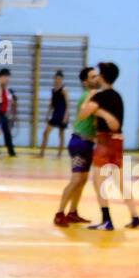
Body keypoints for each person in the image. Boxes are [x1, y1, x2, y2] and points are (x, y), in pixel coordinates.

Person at [81, 61, 139, 230]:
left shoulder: (100, 97)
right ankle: (135, 217)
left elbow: (84, 113)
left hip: (105, 141)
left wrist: (97, 109)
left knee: (98, 181)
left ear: (103, 77)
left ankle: (106, 220)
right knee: (119, 181)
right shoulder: (117, 96)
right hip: (118, 141)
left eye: (98, 74)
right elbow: (116, 124)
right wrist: (103, 114)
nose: (96, 76)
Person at [54, 67, 100, 226]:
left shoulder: (94, 96)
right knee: (76, 179)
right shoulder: (88, 96)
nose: (96, 78)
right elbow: (86, 113)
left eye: (97, 75)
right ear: (85, 82)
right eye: (93, 76)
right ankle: (59, 213)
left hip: (88, 143)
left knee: (82, 179)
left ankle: (73, 212)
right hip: (79, 142)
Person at [38, 70, 69, 158]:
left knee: (61, 134)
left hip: (62, 114)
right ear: (54, 79)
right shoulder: (53, 90)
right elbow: (51, 103)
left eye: (59, 79)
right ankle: (41, 153)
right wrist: (48, 114)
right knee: (45, 132)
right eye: (56, 78)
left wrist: (66, 116)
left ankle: (59, 154)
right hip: (55, 114)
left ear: (62, 79)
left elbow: (68, 104)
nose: (57, 80)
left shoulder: (64, 89)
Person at [0, 68, 17, 157]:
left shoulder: (8, 90)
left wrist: (11, 113)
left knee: (7, 133)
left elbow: (10, 102)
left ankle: (11, 152)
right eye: (7, 78)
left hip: (4, 114)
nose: (8, 80)